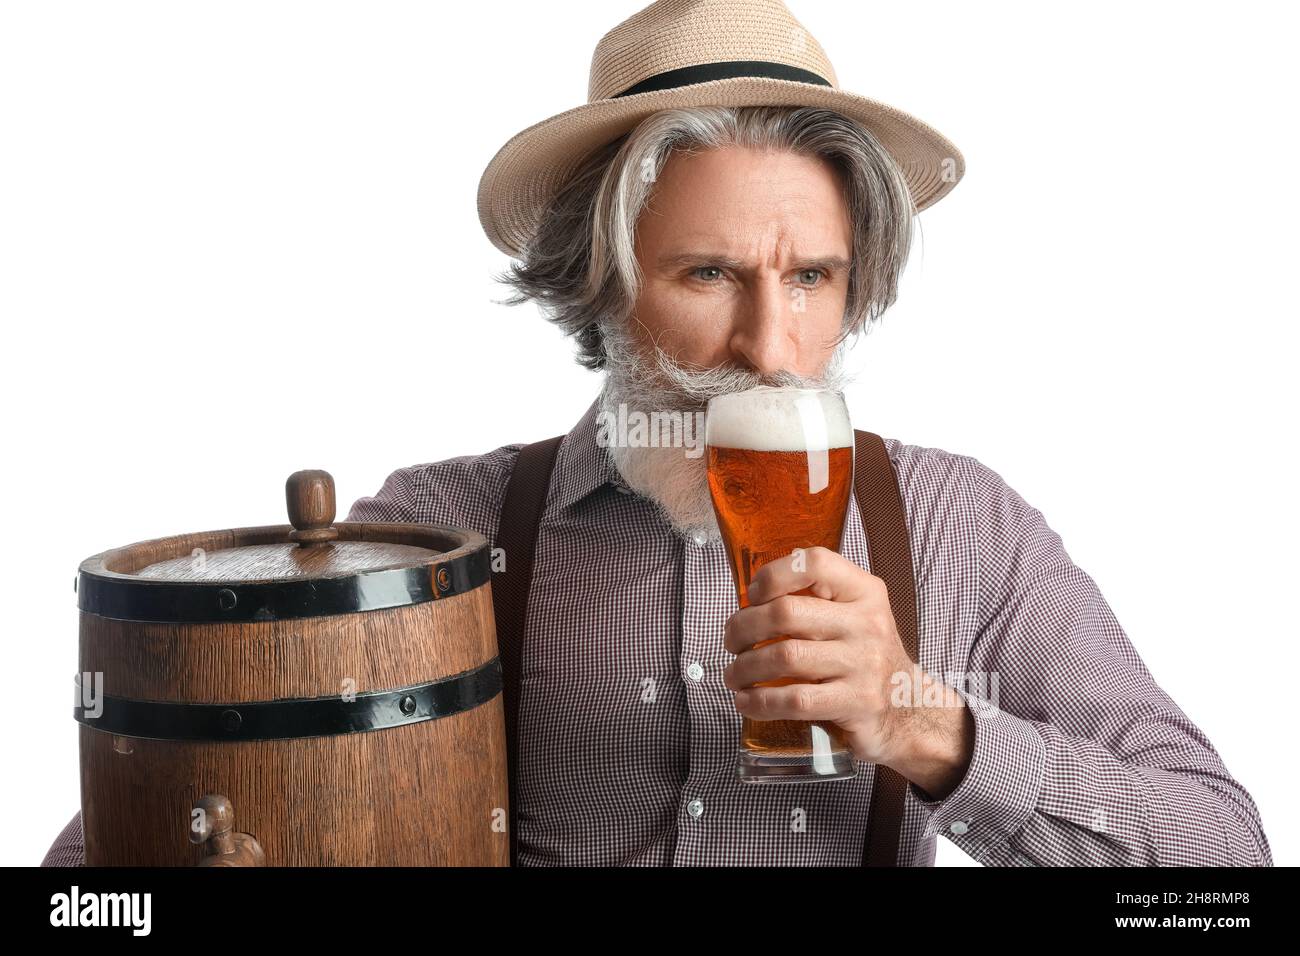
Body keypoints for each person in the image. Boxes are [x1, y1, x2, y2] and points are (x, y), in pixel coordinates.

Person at [43, 0, 1270, 867]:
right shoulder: (445, 528)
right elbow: (95, 880)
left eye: (813, 279)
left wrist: (924, 721)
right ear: (600, 277)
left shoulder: (962, 522)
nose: (771, 346)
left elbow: (1221, 863)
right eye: (706, 273)